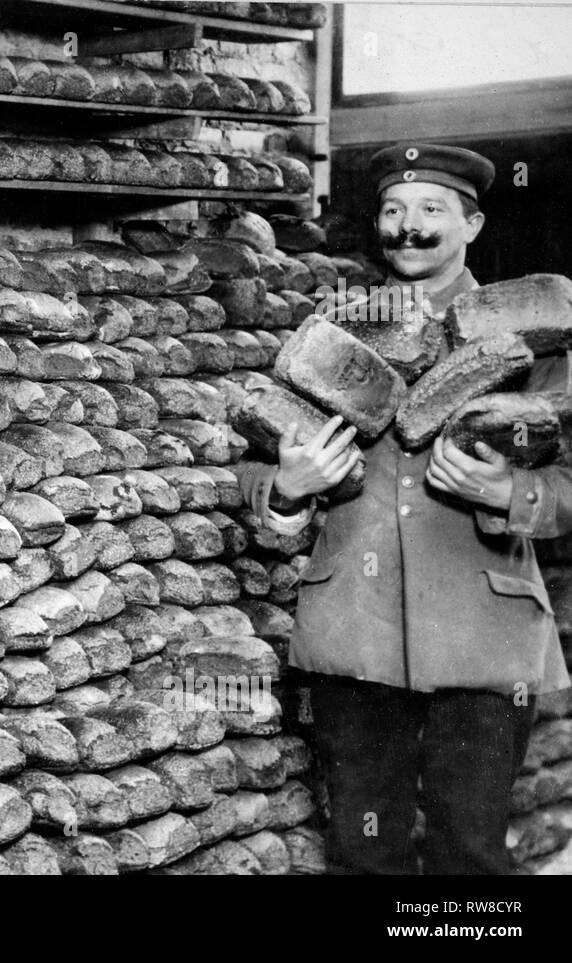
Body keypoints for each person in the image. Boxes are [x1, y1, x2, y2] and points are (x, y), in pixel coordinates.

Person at [239, 142, 572, 874]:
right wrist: (291, 485)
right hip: (354, 636)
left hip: (485, 640)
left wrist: (508, 492)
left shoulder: (530, 339)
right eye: (392, 210)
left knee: (471, 855)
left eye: (430, 210)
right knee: (362, 853)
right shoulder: (333, 337)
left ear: (473, 224)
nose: (407, 227)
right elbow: (258, 468)